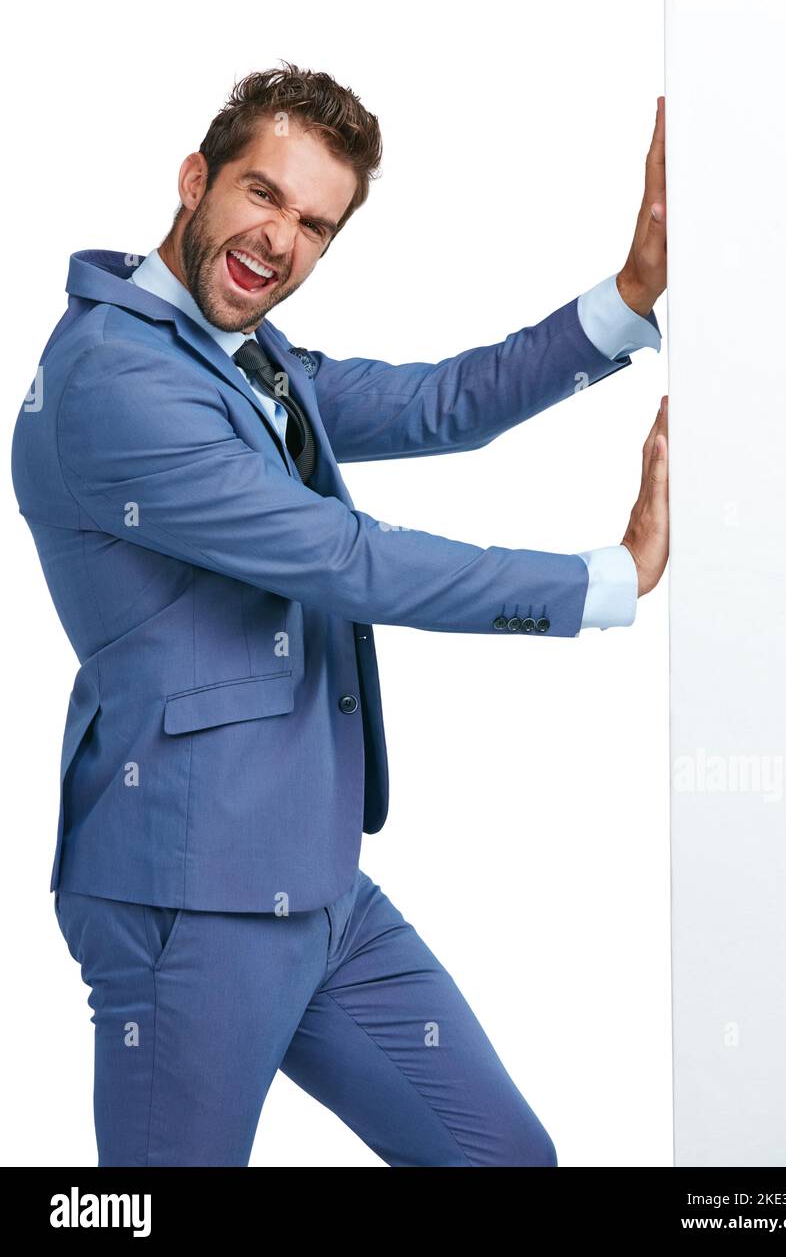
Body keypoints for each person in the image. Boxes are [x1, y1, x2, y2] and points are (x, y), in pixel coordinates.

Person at [11, 64, 669, 1167]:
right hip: (191, 901)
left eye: (314, 223)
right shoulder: (116, 382)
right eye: (263, 195)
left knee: (502, 1158)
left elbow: (436, 400)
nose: (281, 239)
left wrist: (626, 300)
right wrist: (607, 578)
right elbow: (343, 559)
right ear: (194, 179)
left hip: (313, 880)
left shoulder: (237, 357)